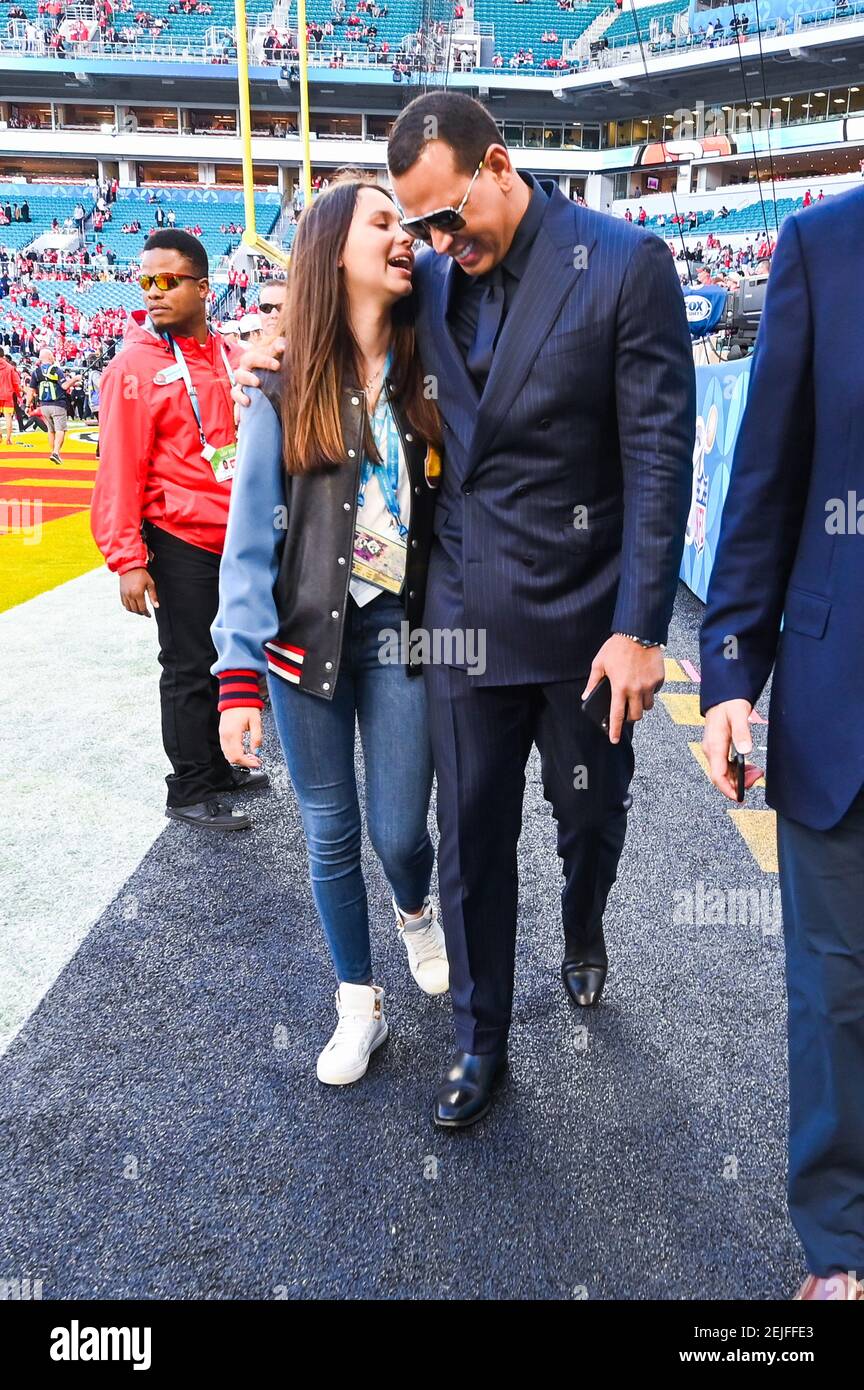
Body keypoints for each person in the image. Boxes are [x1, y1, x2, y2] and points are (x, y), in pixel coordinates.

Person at [235, 93, 695, 1127]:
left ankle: (585, 920)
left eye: (448, 216)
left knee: (589, 816)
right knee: (467, 836)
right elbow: (329, 316)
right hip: (459, 613)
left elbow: (660, 460)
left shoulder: (626, 263)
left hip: (589, 627)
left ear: (496, 165)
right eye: (419, 224)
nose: (437, 241)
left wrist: (641, 627)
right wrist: (263, 351)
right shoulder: (431, 279)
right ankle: (482, 1040)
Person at [212, 177, 449, 1085]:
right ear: (331, 253)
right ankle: (359, 1004)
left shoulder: (436, 364)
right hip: (300, 640)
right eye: (382, 224)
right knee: (327, 828)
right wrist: (235, 677)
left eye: (405, 225)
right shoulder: (278, 378)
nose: (403, 238)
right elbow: (247, 540)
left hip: (403, 631)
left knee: (398, 831)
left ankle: (415, 909)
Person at [700, 186, 864, 1303]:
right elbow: (765, 475)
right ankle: (841, 1246)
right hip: (838, 691)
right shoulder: (825, 245)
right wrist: (727, 677)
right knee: (836, 989)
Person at [90, 230, 264, 832]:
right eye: (145, 282)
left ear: (203, 287)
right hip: (178, 537)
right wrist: (127, 558)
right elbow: (117, 468)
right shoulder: (133, 366)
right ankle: (189, 787)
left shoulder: (224, 354)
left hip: (236, 537)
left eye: (167, 281)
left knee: (230, 655)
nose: (153, 294)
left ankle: (219, 764)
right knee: (189, 663)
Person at [27, 347, 75, 464]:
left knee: (50, 430)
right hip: (58, 403)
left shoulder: (36, 372)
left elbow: (31, 390)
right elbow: (64, 386)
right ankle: (56, 452)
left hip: (44, 405)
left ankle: (53, 452)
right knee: (60, 430)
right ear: (49, 357)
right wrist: (75, 379)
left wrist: (28, 405)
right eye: (52, 355)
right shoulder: (56, 370)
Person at [0, 345, 22, 444]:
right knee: (8, 417)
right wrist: (19, 395)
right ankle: (8, 439)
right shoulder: (10, 367)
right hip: (8, 395)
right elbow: (16, 383)